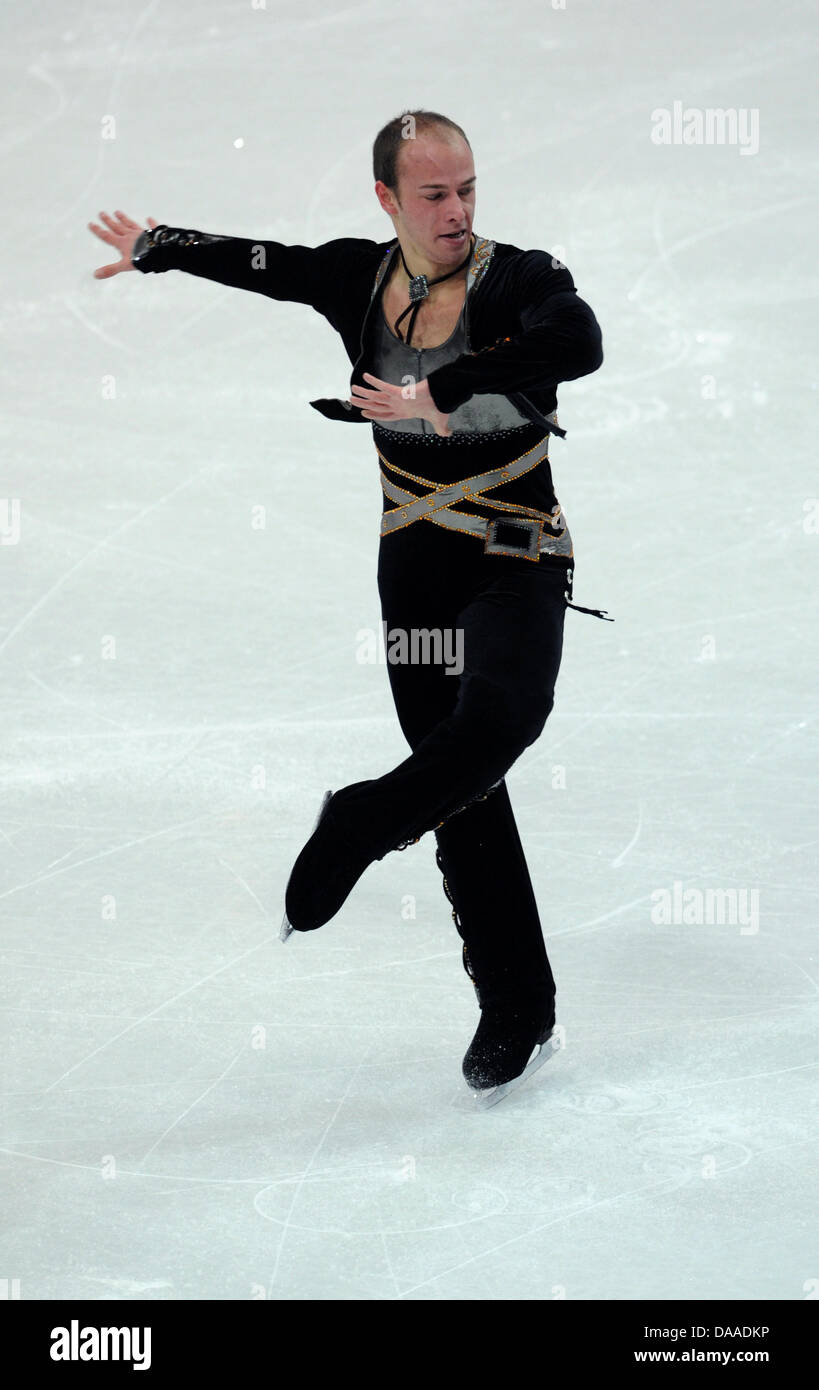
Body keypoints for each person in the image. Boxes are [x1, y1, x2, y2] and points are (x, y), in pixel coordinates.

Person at [88, 109, 606, 1106]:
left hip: (516, 549)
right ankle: (516, 1005)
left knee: (502, 719)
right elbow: (267, 262)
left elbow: (576, 344)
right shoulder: (358, 277)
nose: (457, 212)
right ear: (387, 200)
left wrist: (444, 390)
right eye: (433, 194)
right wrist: (160, 248)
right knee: (460, 786)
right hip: (414, 562)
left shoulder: (520, 281)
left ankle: (362, 821)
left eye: (466, 190)